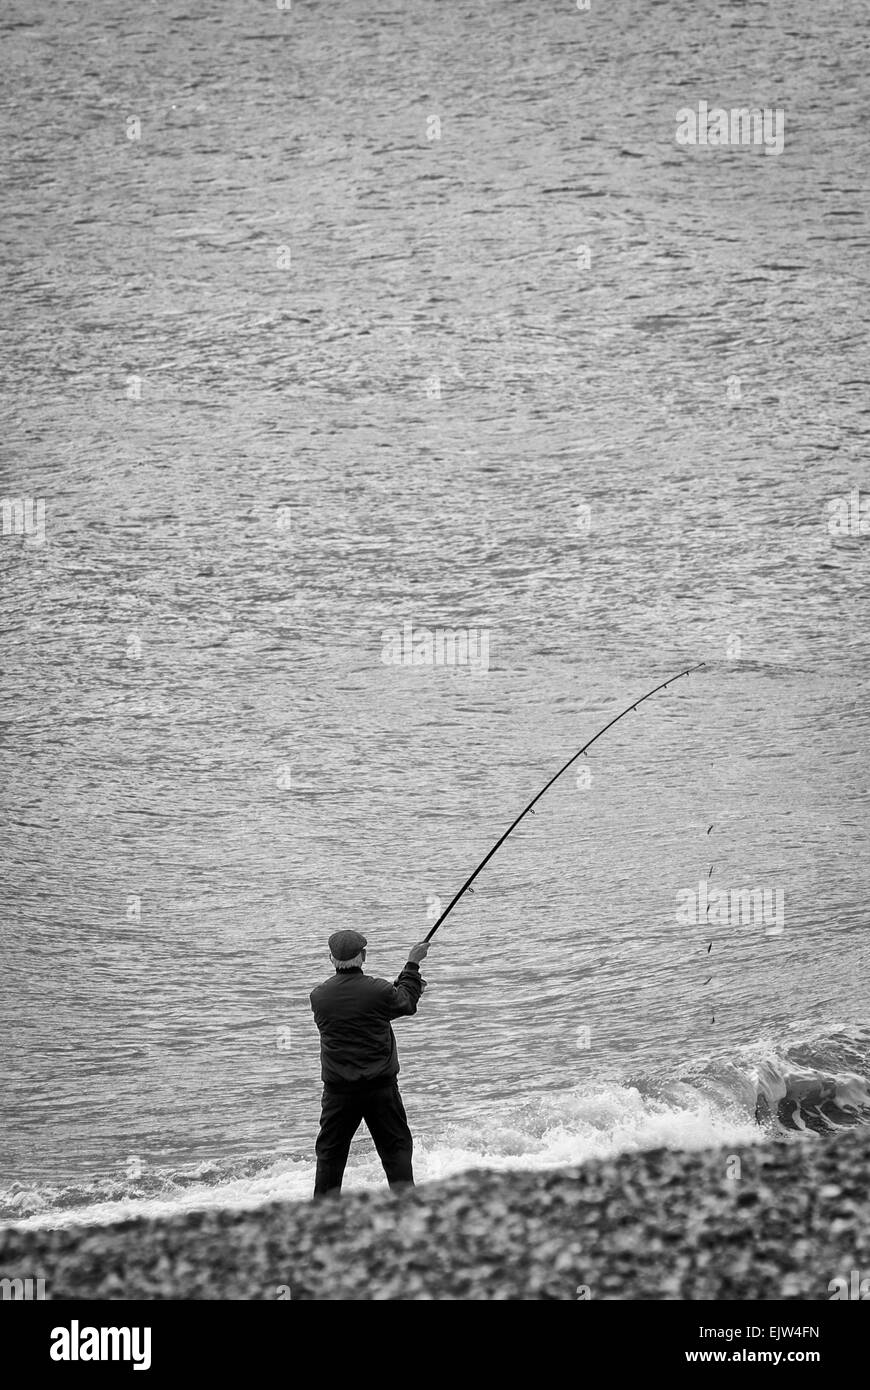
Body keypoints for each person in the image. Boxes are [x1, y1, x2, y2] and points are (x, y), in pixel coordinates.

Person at [310, 929, 430, 1198]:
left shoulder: (319, 997)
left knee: (330, 1156)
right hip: (381, 1089)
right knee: (396, 1150)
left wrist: (402, 984)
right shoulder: (379, 991)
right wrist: (413, 964)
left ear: (331, 958)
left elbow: (378, 1002)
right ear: (363, 956)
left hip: (338, 1093)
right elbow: (405, 1002)